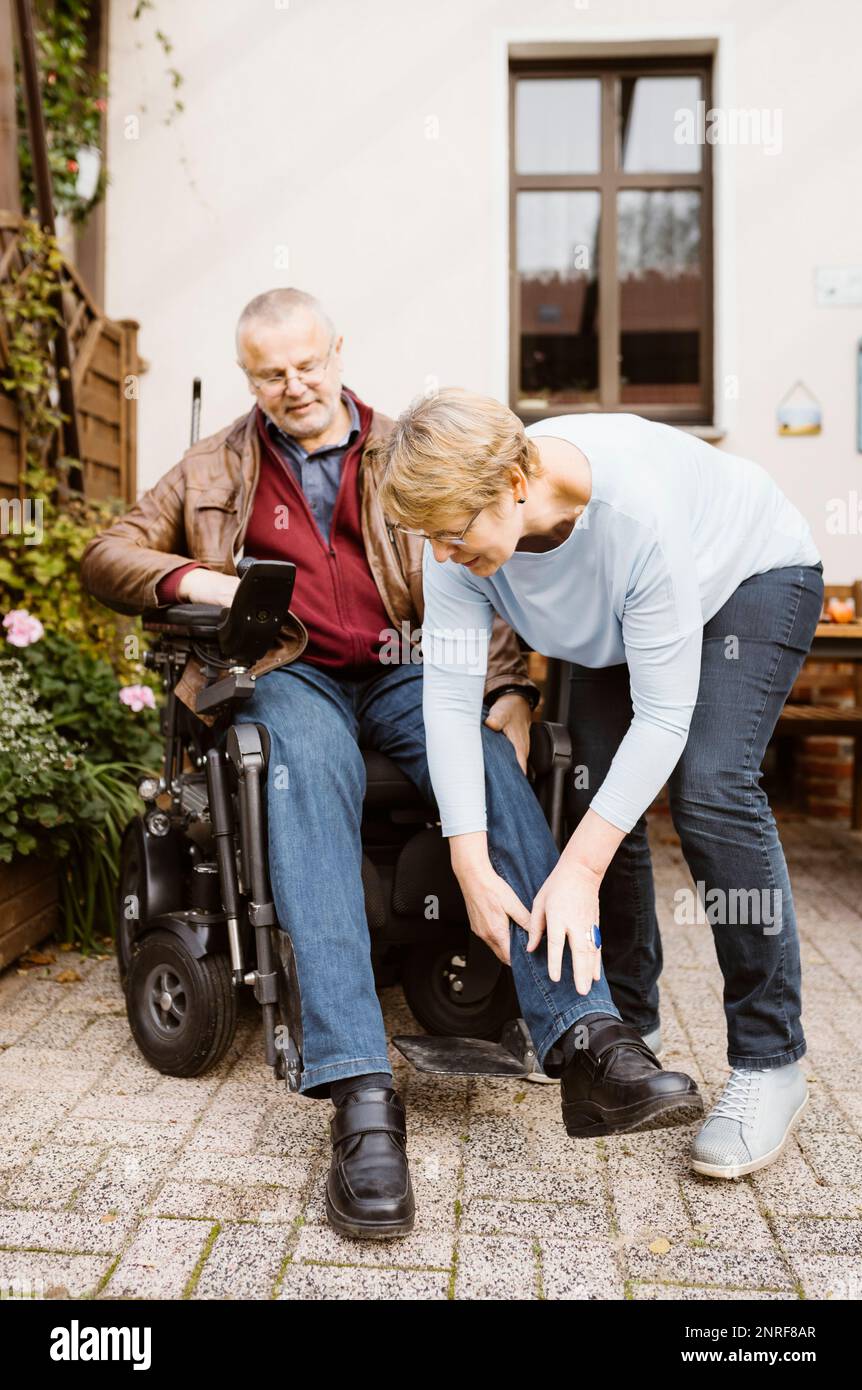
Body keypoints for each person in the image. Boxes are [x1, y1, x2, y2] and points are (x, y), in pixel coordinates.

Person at [79, 292, 701, 1243]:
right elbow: (104, 553)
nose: (293, 387)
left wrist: (509, 691)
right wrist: (201, 579)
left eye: (306, 364)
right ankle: (359, 1089)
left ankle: (585, 1039)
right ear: (250, 378)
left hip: (412, 665)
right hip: (287, 674)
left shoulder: (412, 448)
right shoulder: (213, 467)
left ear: (337, 353)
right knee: (303, 763)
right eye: (269, 373)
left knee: (490, 762)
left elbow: (477, 571)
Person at [376, 386, 824, 1180]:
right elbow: (446, 702)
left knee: (711, 789)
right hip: (615, 621)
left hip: (747, 576)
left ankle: (769, 1060)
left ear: (516, 483)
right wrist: (470, 863)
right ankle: (623, 1026)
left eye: (452, 536)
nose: (441, 557)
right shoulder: (454, 536)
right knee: (590, 793)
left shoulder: (634, 514)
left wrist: (577, 872)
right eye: (429, 539)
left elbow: (663, 720)